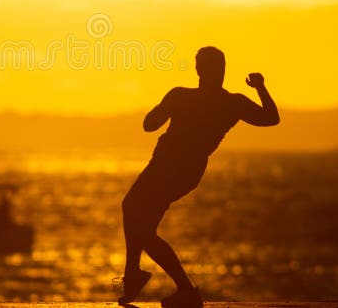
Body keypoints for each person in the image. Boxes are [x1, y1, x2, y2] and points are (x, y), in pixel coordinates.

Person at [119, 46, 279, 307]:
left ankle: (146, 278)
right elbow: (270, 117)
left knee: (135, 217)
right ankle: (158, 282)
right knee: (142, 225)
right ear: (222, 71)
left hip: (167, 168)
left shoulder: (183, 96)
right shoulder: (231, 103)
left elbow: (149, 124)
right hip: (186, 171)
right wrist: (260, 87)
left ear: (198, 69)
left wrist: (167, 104)